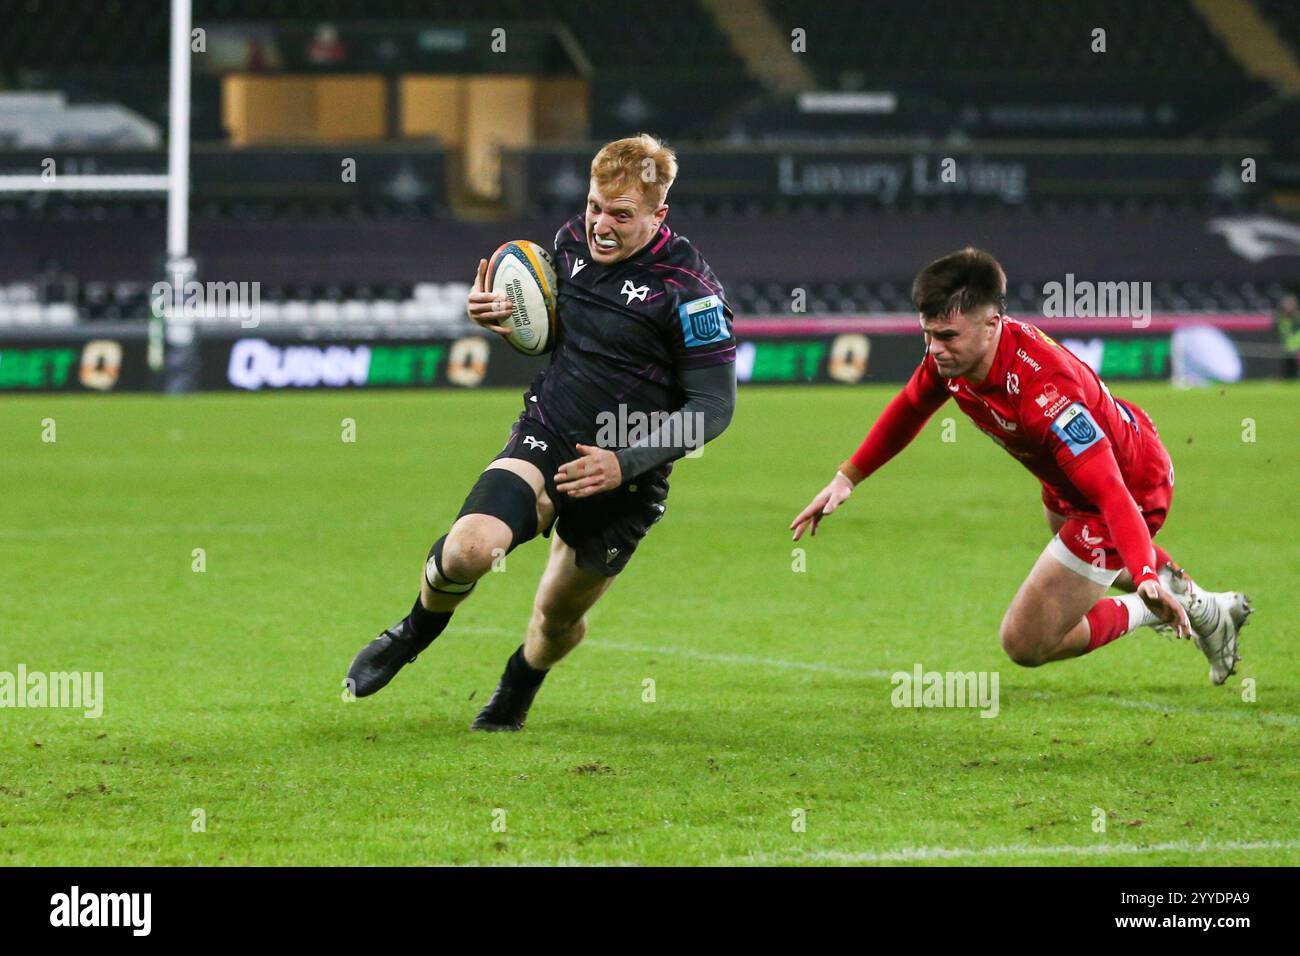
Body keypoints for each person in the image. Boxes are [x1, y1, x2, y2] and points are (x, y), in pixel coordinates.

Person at [345, 134, 737, 729]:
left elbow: (714, 407)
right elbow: (559, 337)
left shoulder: (691, 293)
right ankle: (413, 630)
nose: (602, 226)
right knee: (471, 549)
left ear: (660, 215)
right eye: (594, 207)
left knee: (555, 621)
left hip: (625, 477)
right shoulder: (568, 242)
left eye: (622, 215)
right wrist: (501, 320)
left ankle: (520, 682)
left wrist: (624, 462)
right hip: (548, 431)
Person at [790, 247, 1251, 684]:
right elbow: (912, 404)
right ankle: (1209, 610)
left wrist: (1146, 578)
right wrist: (847, 477)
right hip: (1071, 476)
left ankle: (1156, 608)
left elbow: (1111, 491)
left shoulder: (1044, 393)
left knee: (1025, 642)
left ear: (992, 325)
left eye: (946, 336)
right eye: (927, 334)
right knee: (1065, 530)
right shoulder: (955, 361)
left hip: (1126, 486)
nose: (933, 348)